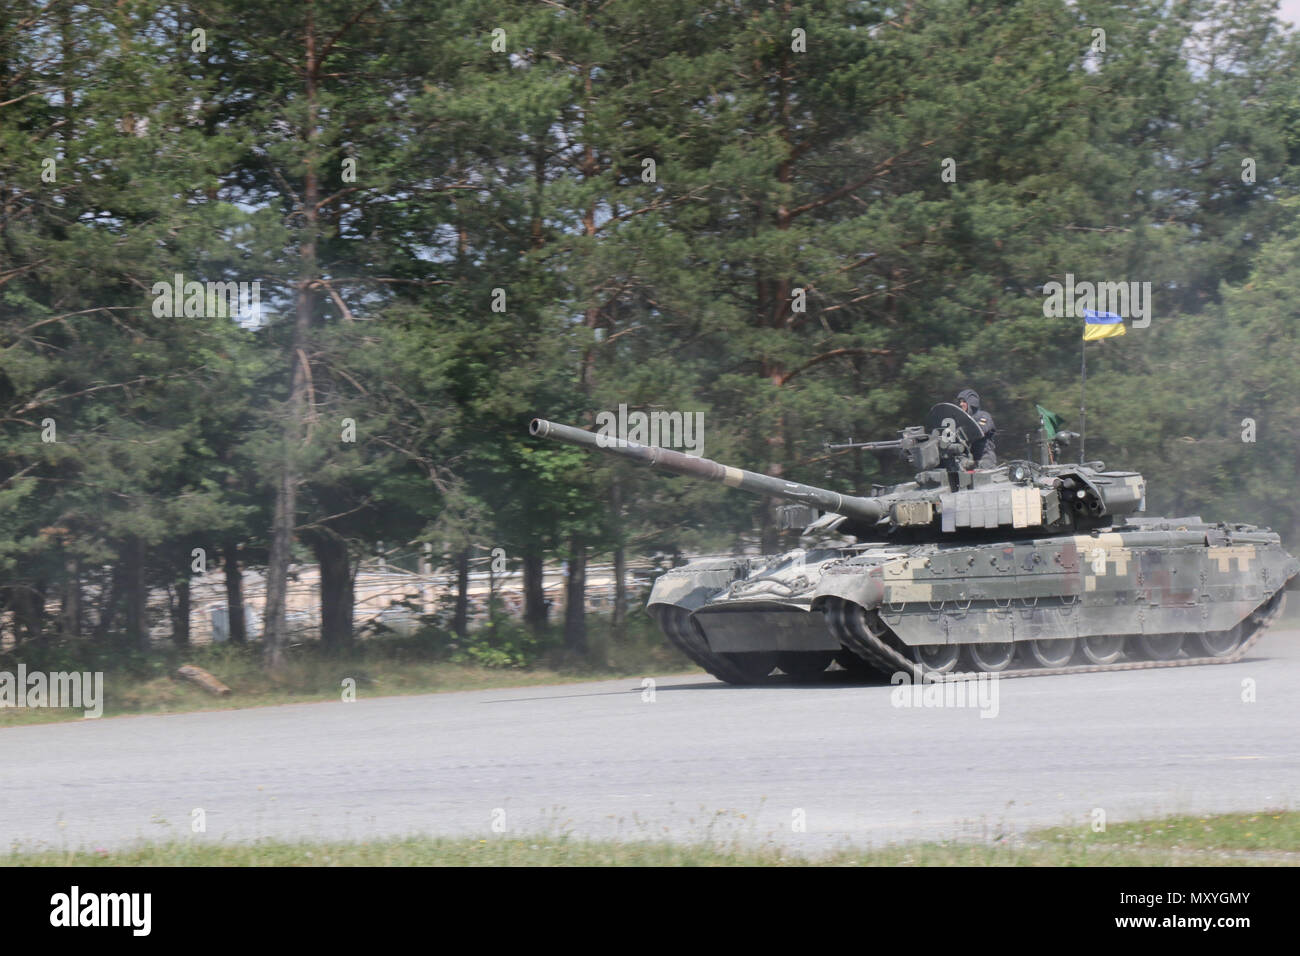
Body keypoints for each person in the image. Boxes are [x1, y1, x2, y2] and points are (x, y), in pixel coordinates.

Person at [956, 388, 997, 468]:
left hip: (985, 459)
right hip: (967, 462)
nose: (961, 404)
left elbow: (979, 430)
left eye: (964, 401)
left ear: (971, 402)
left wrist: (961, 433)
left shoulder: (983, 416)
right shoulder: (960, 421)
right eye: (960, 402)